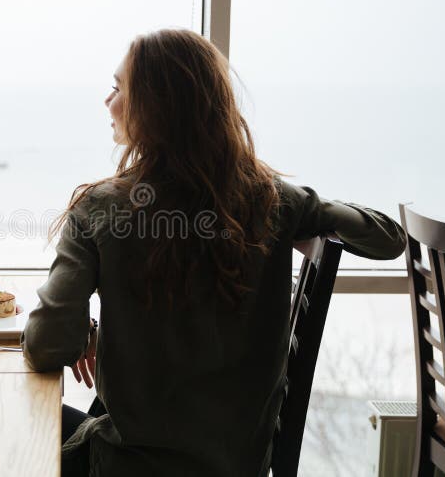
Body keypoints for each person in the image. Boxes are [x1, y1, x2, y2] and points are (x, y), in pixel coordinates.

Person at [20, 29, 406, 476]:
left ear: (156, 105)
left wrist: (83, 328)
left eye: (118, 88)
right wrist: (311, 214)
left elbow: (46, 347)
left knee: (11, 423)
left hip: (129, 465)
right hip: (238, 466)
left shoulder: (100, 208)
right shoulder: (271, 200)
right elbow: (389, 238)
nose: (107, 102)